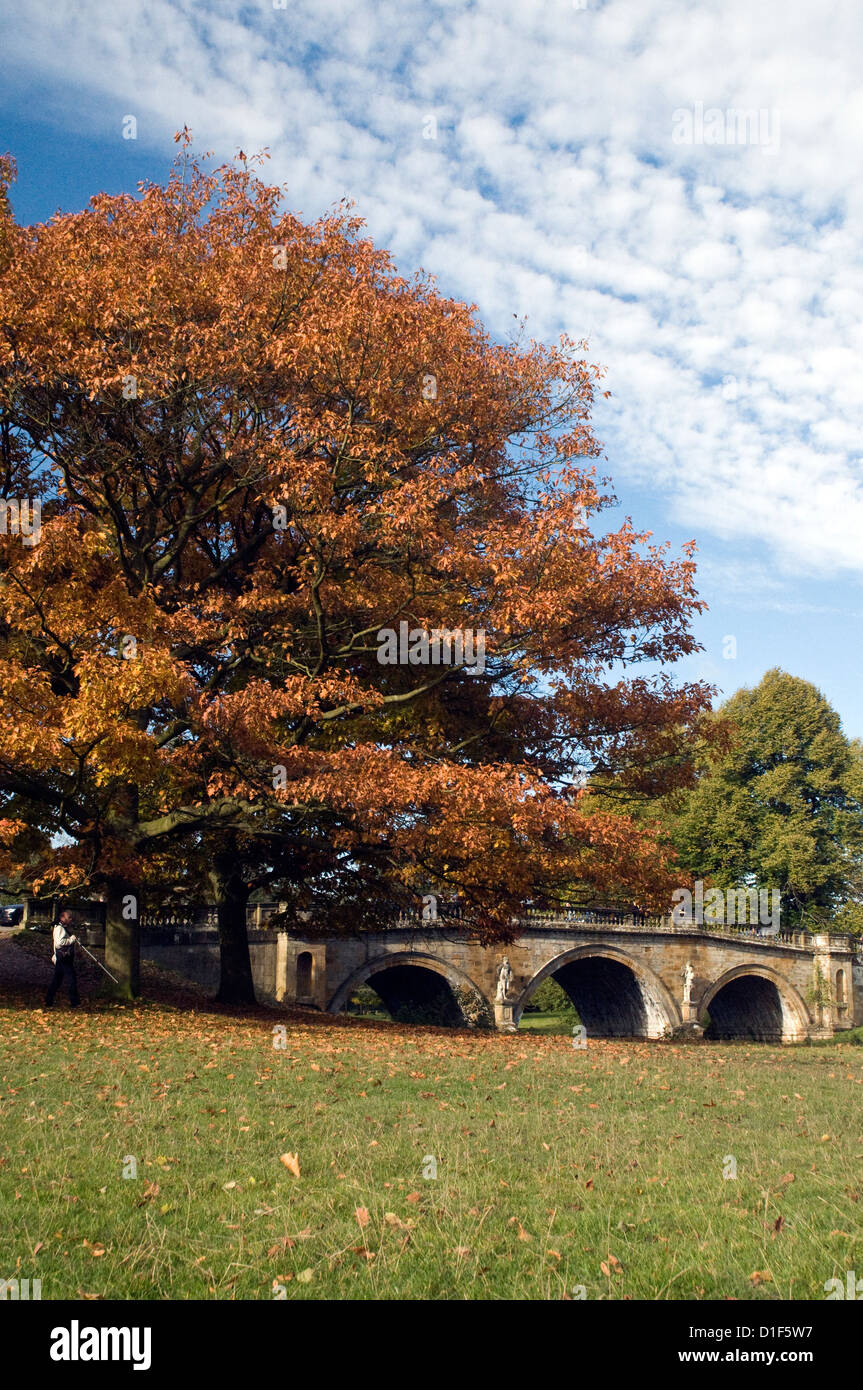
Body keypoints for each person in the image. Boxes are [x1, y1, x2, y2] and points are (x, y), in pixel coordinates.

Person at [45, 908, 80, 1007]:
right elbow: (59, 943)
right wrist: (71, 940)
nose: (70, 919)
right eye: (68, 917)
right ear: (62, 918)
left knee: (57, 980)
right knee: (71, 979)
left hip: (61, 958)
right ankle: (74, 1002)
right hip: (64, 959)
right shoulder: (60, 928)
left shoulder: (60, 927)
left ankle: (49, 1000)